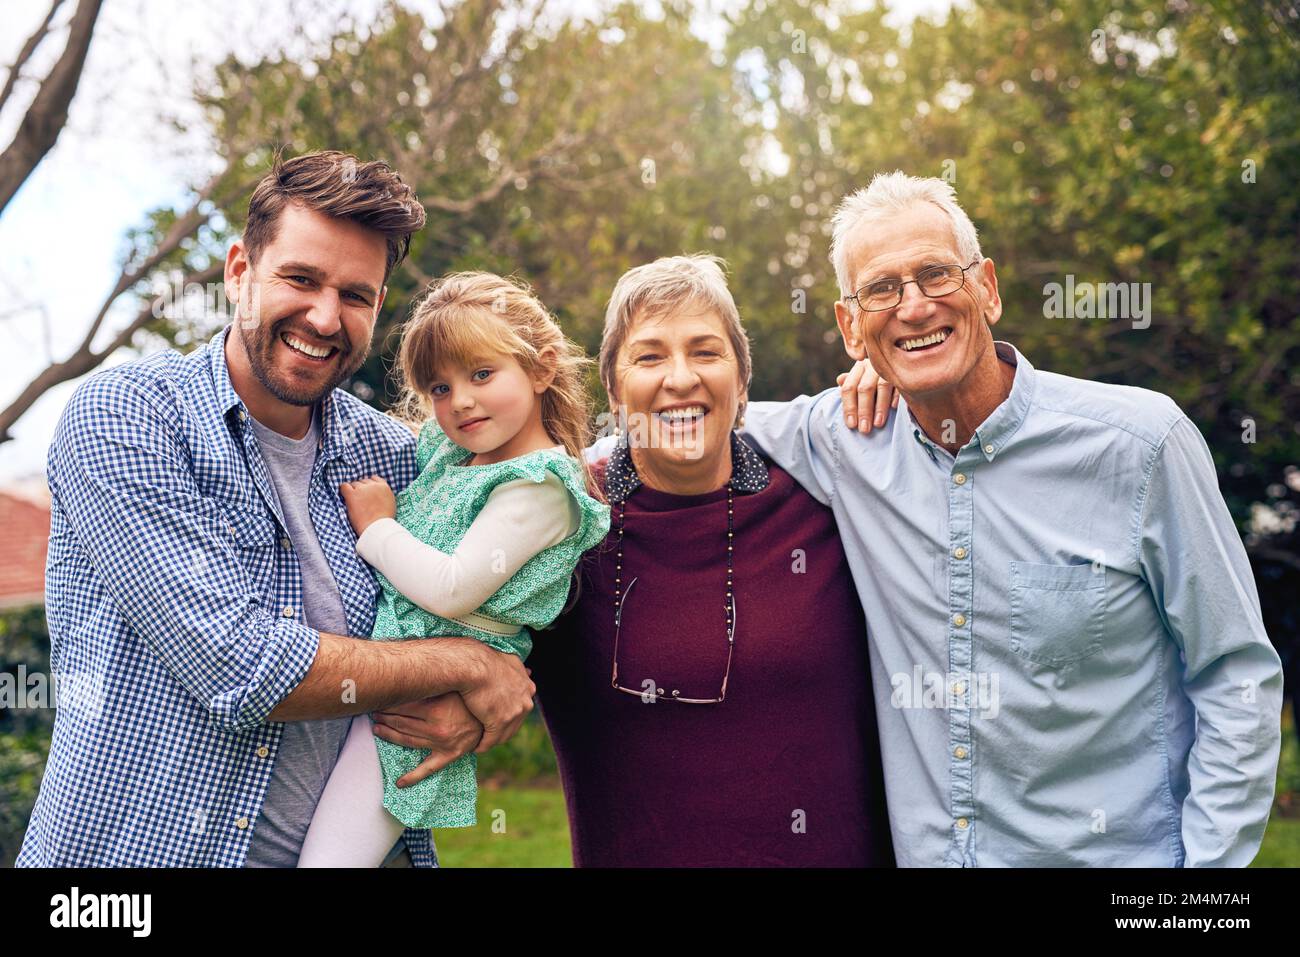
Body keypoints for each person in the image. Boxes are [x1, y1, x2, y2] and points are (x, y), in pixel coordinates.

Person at [738, 171, 1284, 866]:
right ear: (851, 326)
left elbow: (1235, 675)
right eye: (881, 289)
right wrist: (554, 477)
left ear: (987, 288)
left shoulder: (1142, 445)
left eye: (936, 274)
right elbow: (680, 421)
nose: (913, 306)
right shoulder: (847, 440)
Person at [17, 151, 535, 868]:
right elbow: (242, 663)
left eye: (356, 294)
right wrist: (466, 664)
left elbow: (515, 550)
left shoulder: (394, 455)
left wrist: (480, 699)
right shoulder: (127, 417)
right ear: (239, 272)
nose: (324, 317)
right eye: (299, 278)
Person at [528, 254, 895, 867]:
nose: (680, 379)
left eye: (705, 351)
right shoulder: (560, 518)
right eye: (648, 356)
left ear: (742, 385)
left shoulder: (833, 495)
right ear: (614, 390)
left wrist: (895, 384)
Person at [297, 273, 609, 866]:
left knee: (329, 860)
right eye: (440, 387)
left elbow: (452, 587)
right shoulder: (458, 452)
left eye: (482, 375)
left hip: (426, 700)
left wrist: (377, 527)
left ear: (541, 370)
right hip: (387, 665)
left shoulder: (538, 487)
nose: (460, 401)